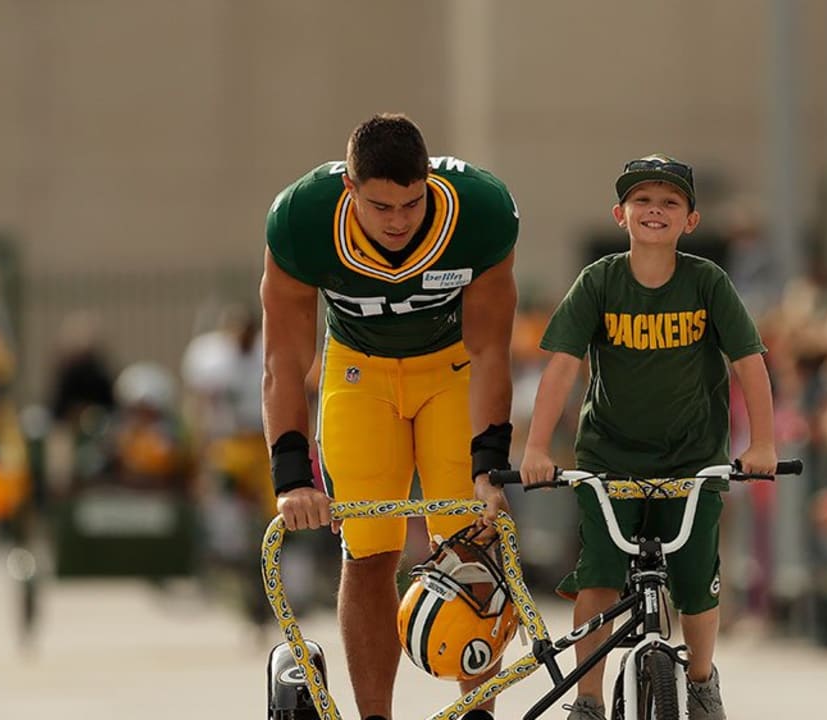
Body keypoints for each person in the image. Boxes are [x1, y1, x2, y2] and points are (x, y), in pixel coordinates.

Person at [260, 113, 518, 720]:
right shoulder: (301, 217)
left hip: (451, 369)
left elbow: (489, 351)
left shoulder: (479, 209)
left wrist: (490, 465)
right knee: (371, 550)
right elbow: (283, 360)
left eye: (411, 203)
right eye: (380, 206)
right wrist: (292, 476)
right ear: (349, 189)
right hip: (358, 371)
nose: (399, 220)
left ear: (428, 180)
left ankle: (478, 710)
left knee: (471, 542)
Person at [519, 155, 778, 720]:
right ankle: (587, 701)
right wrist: (537, 449)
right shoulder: (599, 282)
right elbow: (561, 366)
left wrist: (762, 445)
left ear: (690, 219)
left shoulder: (707, 282)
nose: (654, 210)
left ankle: (704, 683)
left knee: (695, 579)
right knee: (600, 577)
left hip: (692, 460)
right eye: (642, 201)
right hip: (610, 461)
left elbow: (750, 362)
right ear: (620, 214)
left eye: (669, 202)